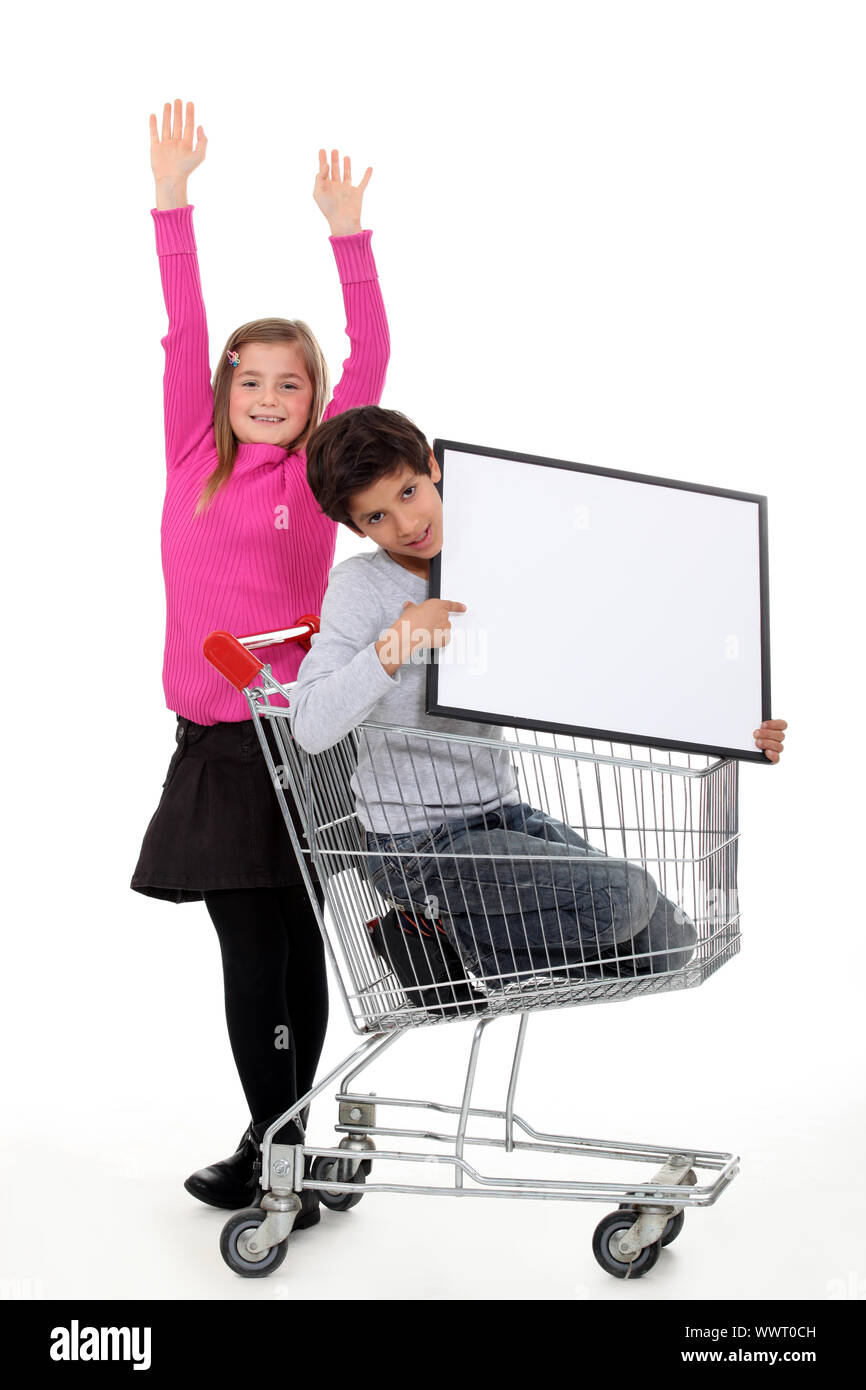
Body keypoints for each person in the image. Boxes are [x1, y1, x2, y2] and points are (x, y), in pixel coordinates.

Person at [130, 101, 389, 1225]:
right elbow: (185, 328)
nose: (269, 398)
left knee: (274, 946)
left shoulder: (313, 482)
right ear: (225, 393)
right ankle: (286, 1141)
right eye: (252, 383)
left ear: (314, 399)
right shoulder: (193, 452)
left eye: (291, 384)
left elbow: (372, 357)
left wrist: (349, 240)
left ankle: (272, 1146)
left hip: (287, 742)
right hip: (206, 746)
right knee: (265, 945)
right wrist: (173, 201)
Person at [289, 407, 788, 991]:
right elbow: (309, 725)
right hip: (419, 845)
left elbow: (609, 641)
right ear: (356, 528)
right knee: (623, 899)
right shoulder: (360, 587)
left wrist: (730, 723)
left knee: (672, 945)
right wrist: (394, 645)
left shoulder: (492, 558)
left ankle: (475, 938)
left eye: (409, 491)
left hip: (501, 812)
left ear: (433, 467)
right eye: (378, 515)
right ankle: (441, 934)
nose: (406, 523)